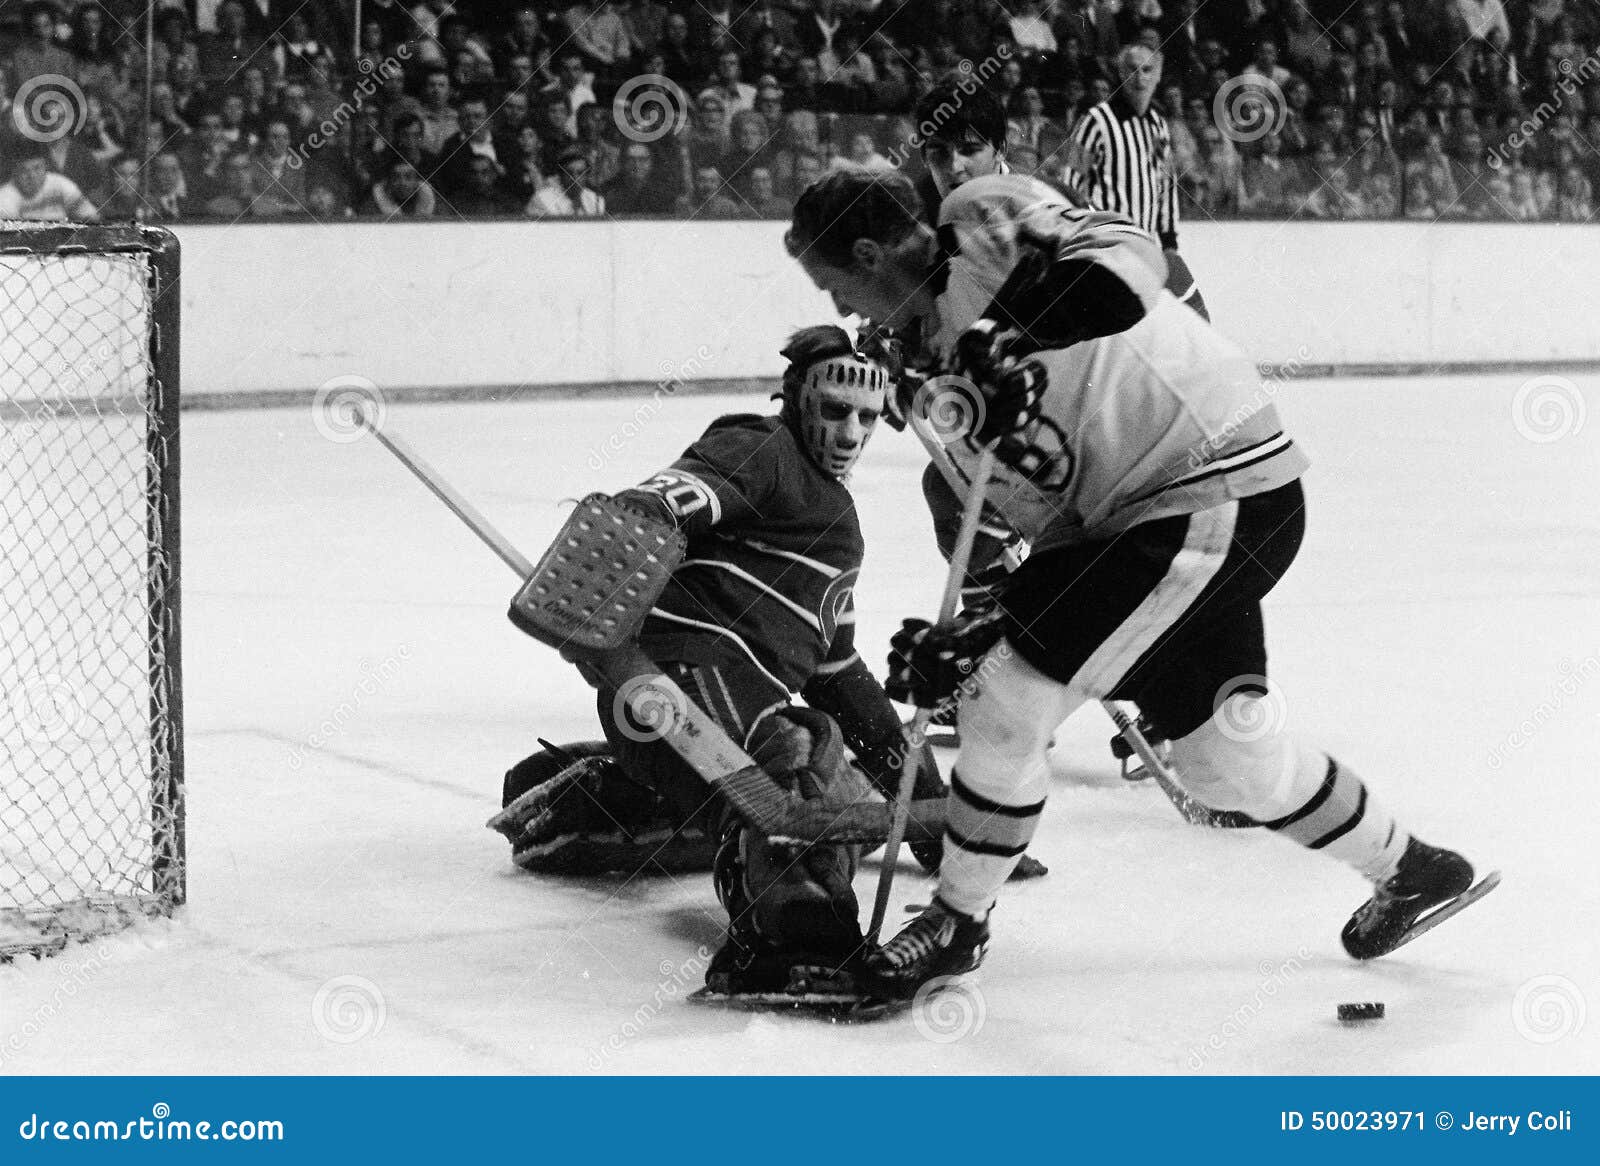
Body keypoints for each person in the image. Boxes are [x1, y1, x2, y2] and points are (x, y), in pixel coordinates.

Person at [784, 167, 1482, 998]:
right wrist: (996, 617)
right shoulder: (928, 370)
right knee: (1228, 761)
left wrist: (1010, 330)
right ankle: (1415, 868)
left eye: (833, 285)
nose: (842, 310)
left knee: (1003, 700)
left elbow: (1132, 262)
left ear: (869, 254)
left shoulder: (976, 220)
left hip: (1212, 485)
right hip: (1146, 523)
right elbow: (1055, 520)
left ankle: (956, 923)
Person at [497, 327, 945, 994]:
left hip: (714, 705)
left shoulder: (838, 527)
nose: (851, 432)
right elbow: (679, 495)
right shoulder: (763, 446)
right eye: (834, 410)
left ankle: (607, 802)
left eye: (867, 417)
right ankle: (790, 933)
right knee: (798, 758)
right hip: (682, 675)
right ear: (798, 399)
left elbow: (843, 682)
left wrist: (929, 809)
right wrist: (631, 525)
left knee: (841, 785)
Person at [1066, 44, 1209, 319]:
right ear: (1121, 73)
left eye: (1147, 70)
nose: (1140, 77)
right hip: (1106, 249)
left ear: (1158, 75)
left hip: (1147, 248)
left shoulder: (1158, 124)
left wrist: (1169, 242)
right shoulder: (1096, 121)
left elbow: (1165, 184)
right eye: (1132, 70)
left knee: (1191, 318)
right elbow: (1072, 182)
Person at [0, 150, 98, 221]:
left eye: (37, 168)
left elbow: (91, 216)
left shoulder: (60, 183)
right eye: (24, 170)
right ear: (14, 173)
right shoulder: (5, 196)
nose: (32, 176)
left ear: (45, 167)